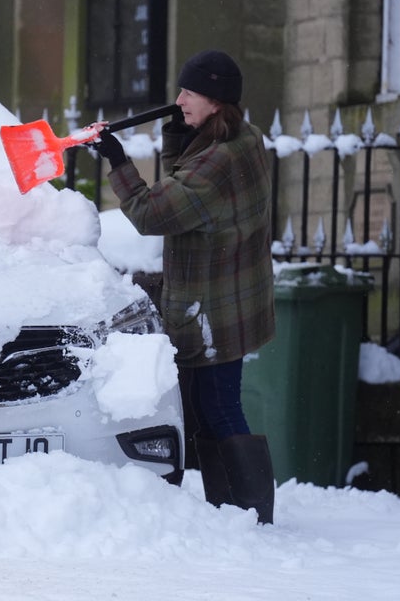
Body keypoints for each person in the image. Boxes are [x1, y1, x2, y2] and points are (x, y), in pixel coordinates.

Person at [93, 49, 276, 524]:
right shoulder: (243, 138)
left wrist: (117, 161)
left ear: (216, 100)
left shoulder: (219, 161)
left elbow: (154, 214)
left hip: (215, 306)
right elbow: (188, 194)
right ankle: (233, 505)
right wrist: (178, 136)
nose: (178, 100)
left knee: (218, 406)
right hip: (232, 296)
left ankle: (248, 511)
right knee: (207, 403)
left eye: (188, 93)